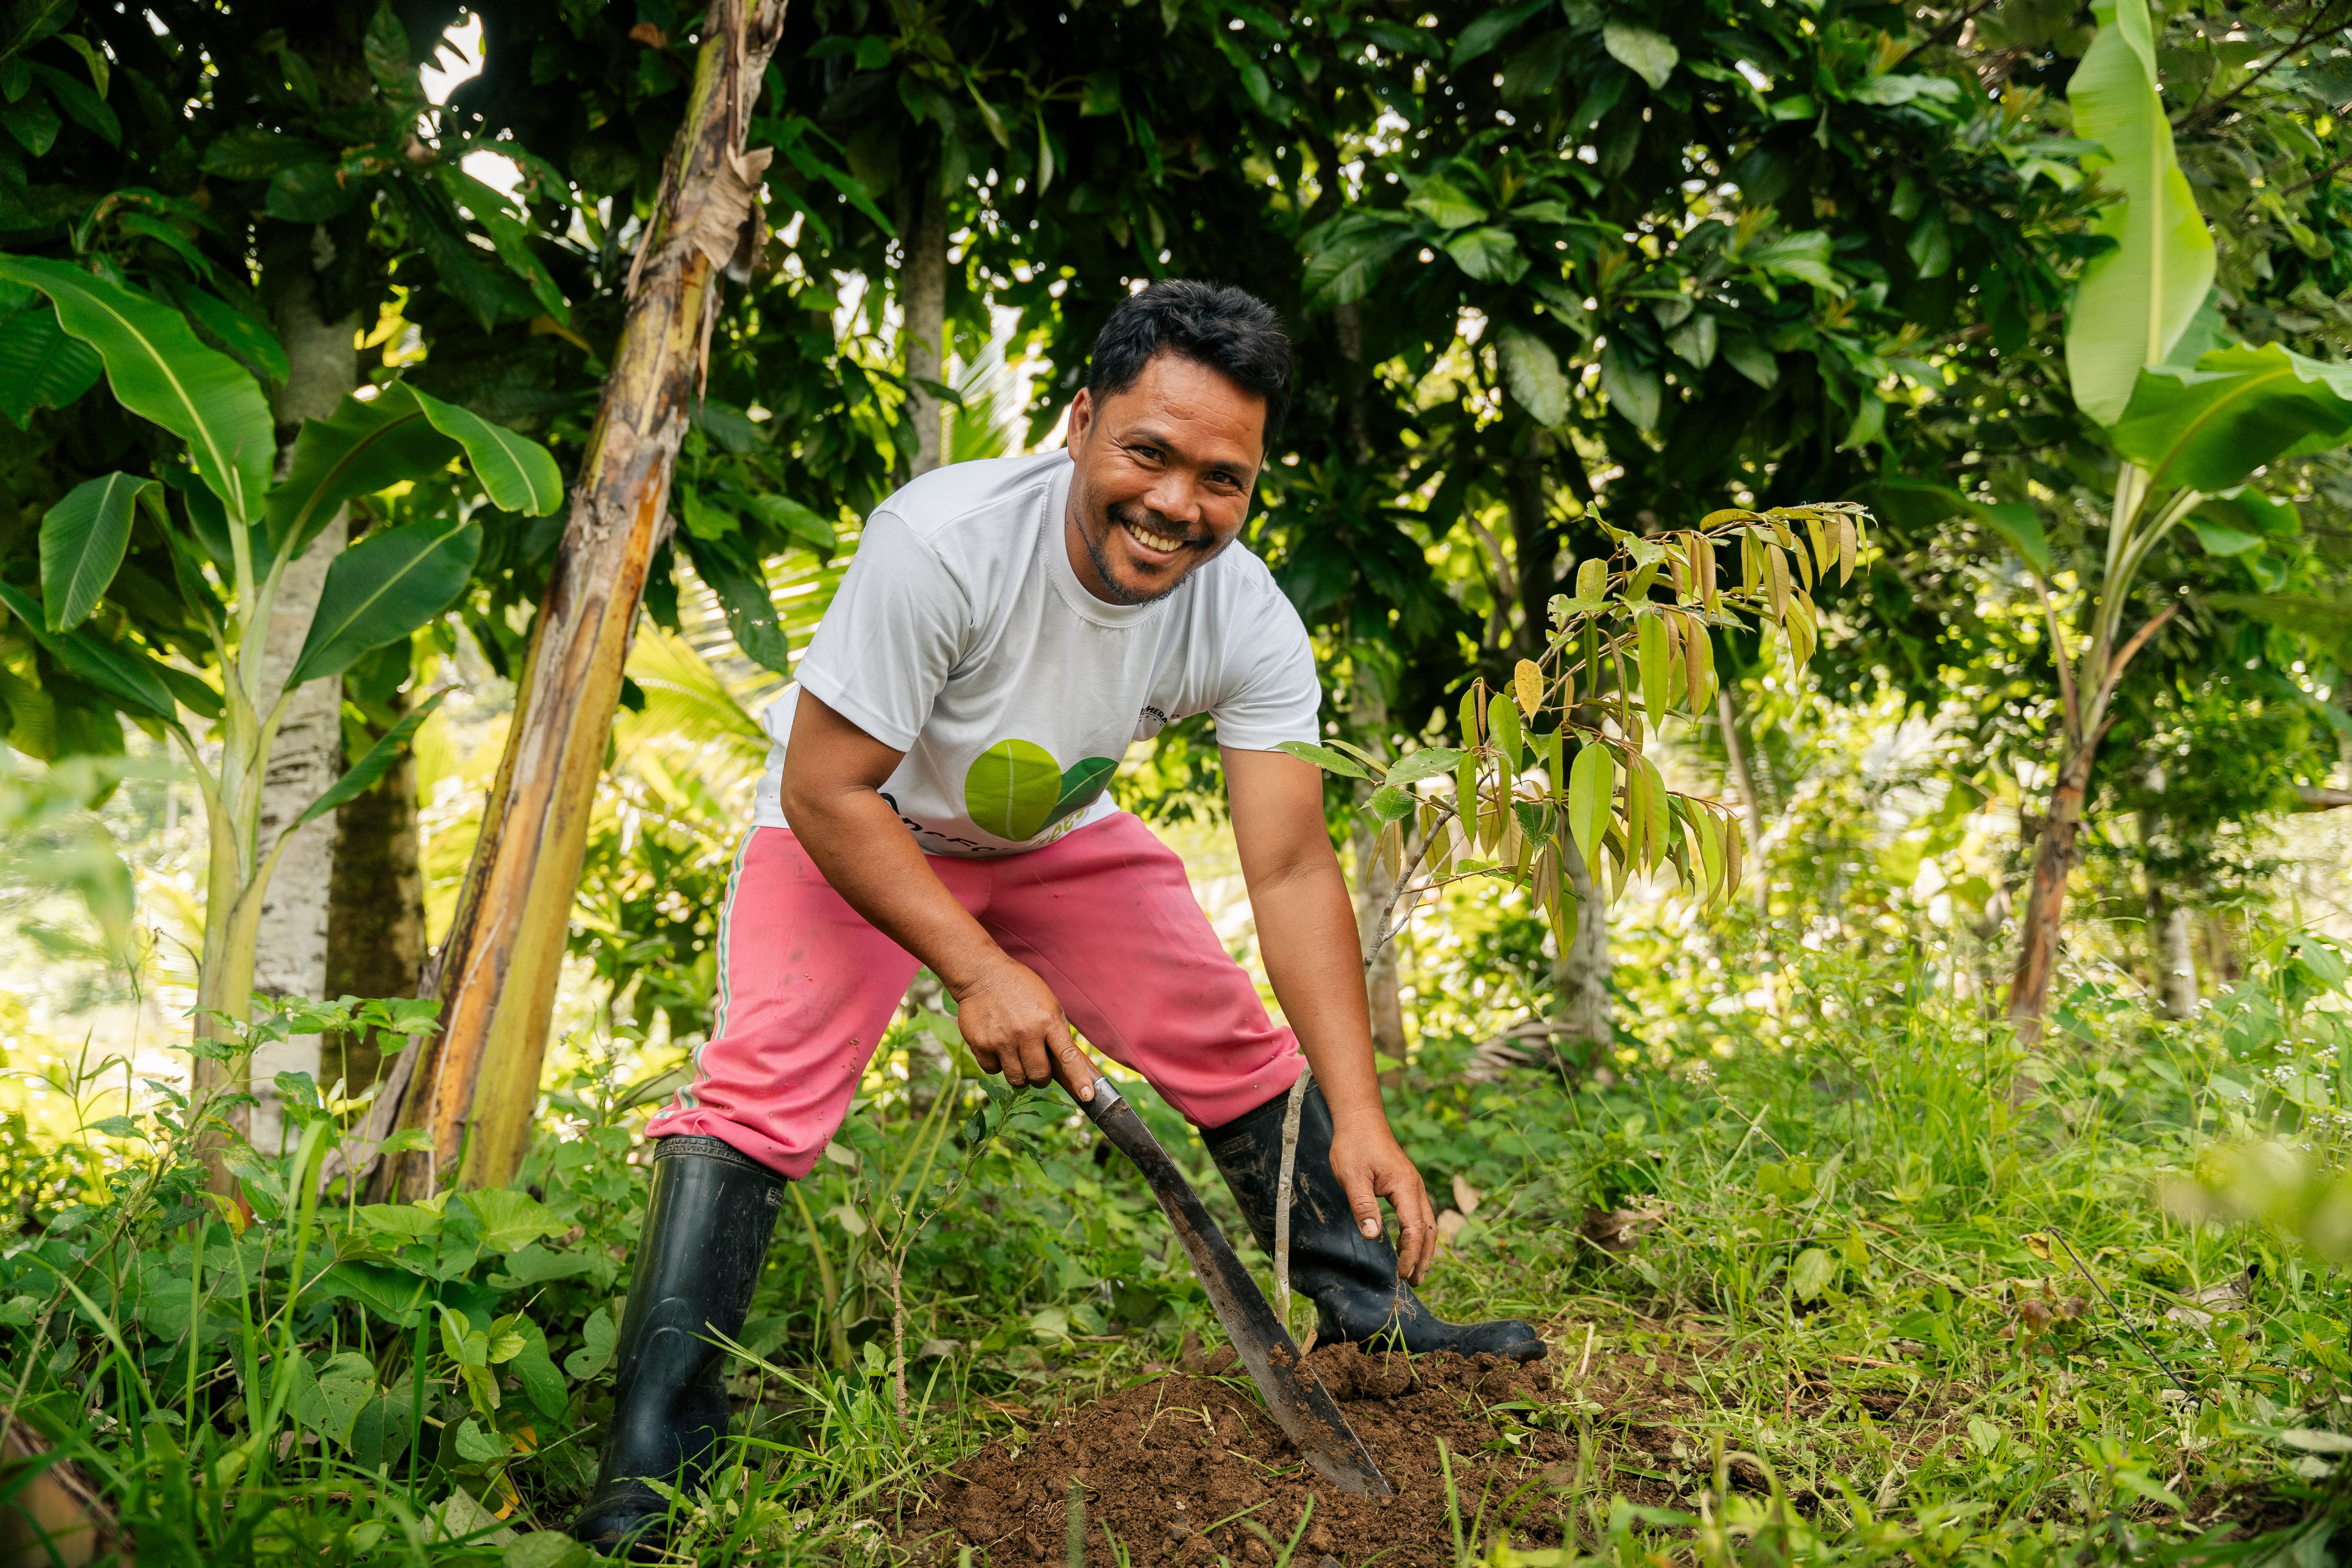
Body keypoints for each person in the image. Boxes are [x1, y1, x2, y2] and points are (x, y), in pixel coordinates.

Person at [571, 280, 1544, 1552]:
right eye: (1149, 453)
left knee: (1230, 1042)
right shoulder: (945, 543)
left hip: (1050, 839)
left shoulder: (1246, 613)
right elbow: (824, 789)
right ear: (1081, 424)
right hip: (858, 825)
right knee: (764, 1091)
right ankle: (656, 1448)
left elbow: (1293, 868)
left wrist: (1359, 1113)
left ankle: (1372, 1322)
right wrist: (980, 971)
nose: (1178, 505)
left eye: (1223, 478)